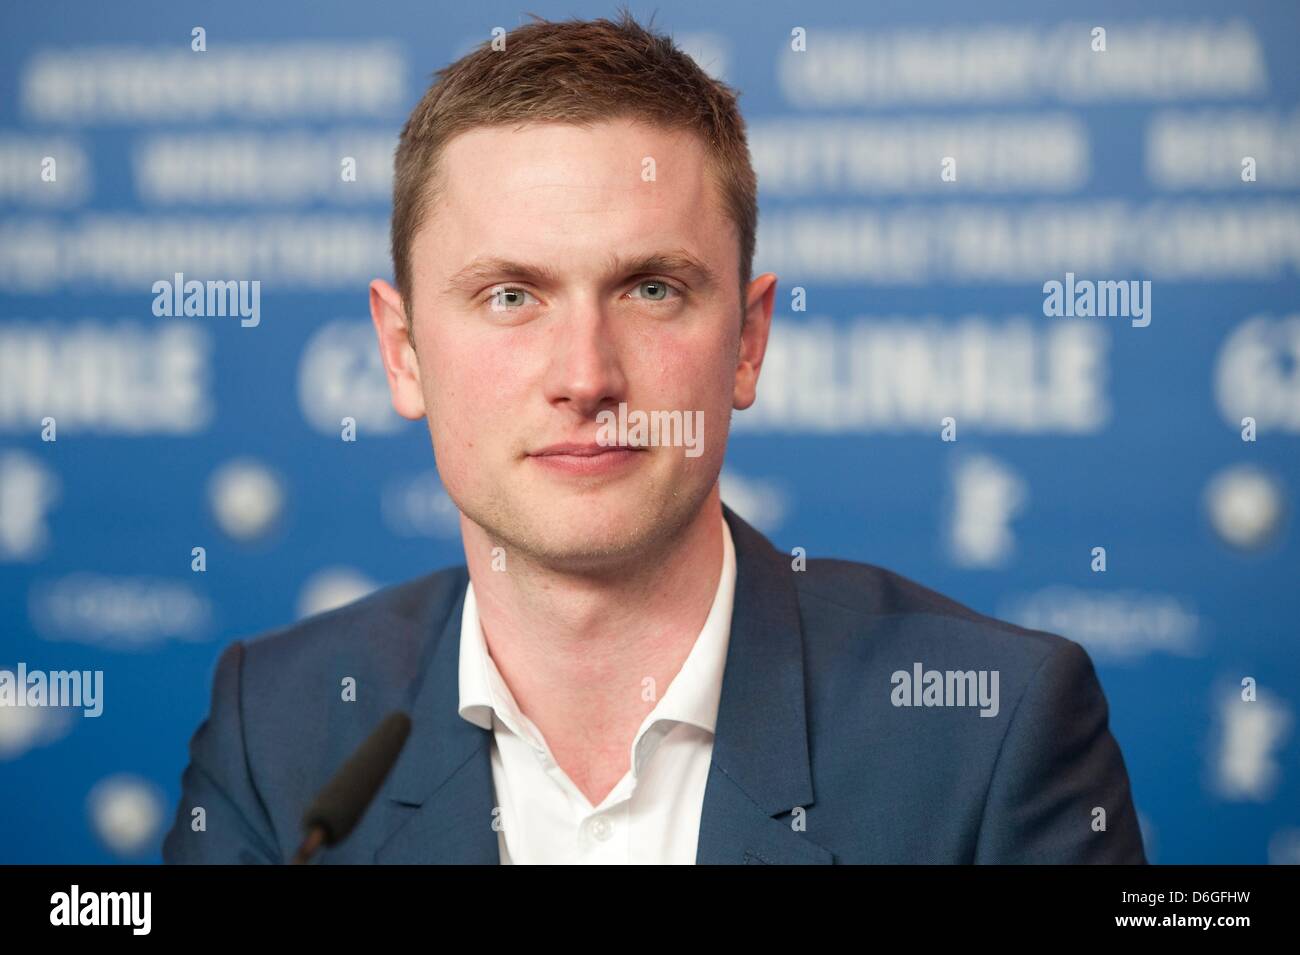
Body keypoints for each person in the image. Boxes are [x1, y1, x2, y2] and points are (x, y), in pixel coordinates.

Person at [163, 10, 1145, 864]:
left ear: (748, 342)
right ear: (403, 351)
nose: (586, 376)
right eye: (511, 295)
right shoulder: (277, 728)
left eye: (651, 290)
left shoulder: (992, 724)